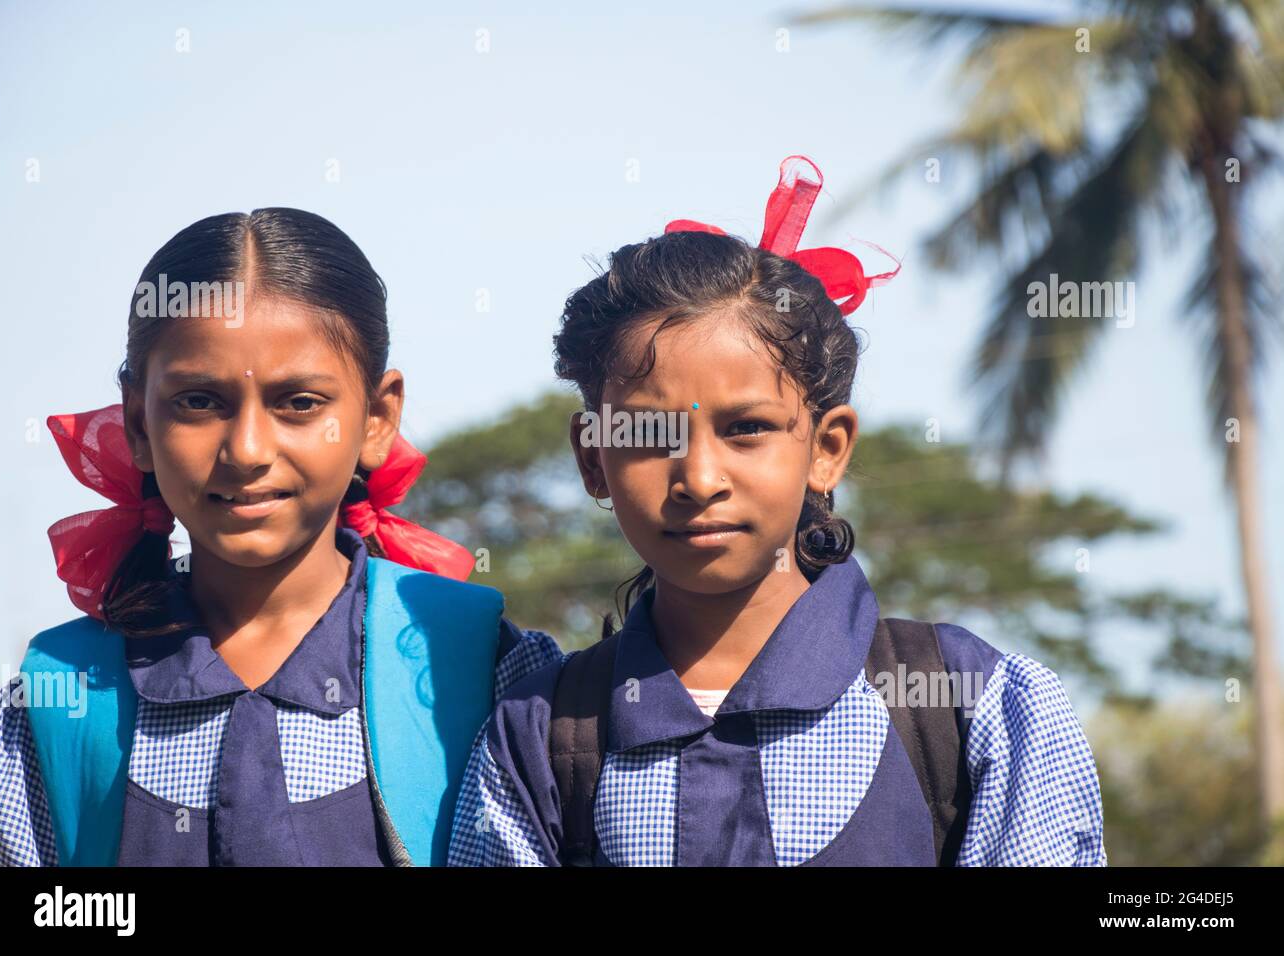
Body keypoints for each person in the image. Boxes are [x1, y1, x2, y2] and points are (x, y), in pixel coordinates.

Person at [447, 156, 1107, 866]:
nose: (698, 478)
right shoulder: (542, 734)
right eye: (648, 434)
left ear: (827, 449)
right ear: (591, 460)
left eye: (747, 429)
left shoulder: (973, 708)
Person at [0, 208, 560, 866]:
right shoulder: (54, 703)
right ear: (138, 424)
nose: (249, 450)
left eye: (300, 403)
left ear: (377, 417)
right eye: (199, 401)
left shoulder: (488, 675)